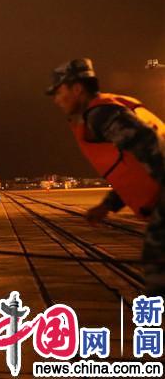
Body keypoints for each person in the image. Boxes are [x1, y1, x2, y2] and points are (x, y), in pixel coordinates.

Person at [47, 58, 164, 297]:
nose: (57, 100)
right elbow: (130, 167)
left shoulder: (100, 114)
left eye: (59, 92)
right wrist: (108, 206)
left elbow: (149, 145)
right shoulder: (107, 109)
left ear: (77, 88)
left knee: (157, 269)